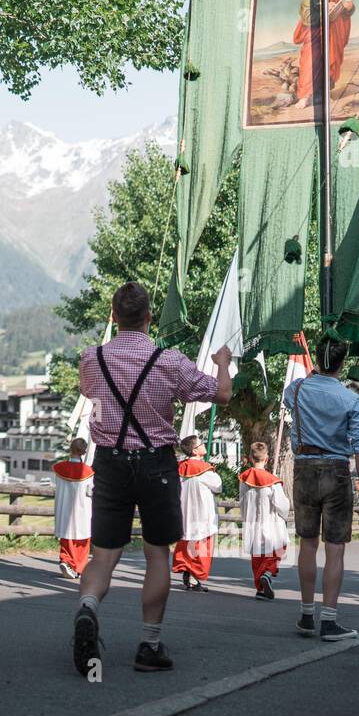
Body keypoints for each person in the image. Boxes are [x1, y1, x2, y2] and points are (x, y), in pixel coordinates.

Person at [73, 281, 233, 675]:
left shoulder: (91, 358)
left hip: (110, 461)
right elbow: (222, 394)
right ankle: (149, 644)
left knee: (104, 554)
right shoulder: (170, 361)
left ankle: (88, 607)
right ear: (148, 317)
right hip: (157, 464)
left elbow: (89, 391)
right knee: (157, 552)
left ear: (113, 316)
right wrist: (224, 362)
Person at [285, 335, 359, 641]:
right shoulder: (351, 400)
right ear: (342, 363)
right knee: (335, 549)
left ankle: (306, 615)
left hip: (304, 469)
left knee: (307, 544)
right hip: (336, 472)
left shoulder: (294, 390)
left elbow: (300, 386)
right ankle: (330, 620)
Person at [171, 434, 223, 592]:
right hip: (202, 513)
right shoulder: (205, 470)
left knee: (186, 541)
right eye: (201, 444)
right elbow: (218, 486)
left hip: (185, 512)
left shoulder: (178, 468)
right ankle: (194, 578)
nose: (204, 445)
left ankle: (187, 570)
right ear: (194, 451)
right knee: (200, 545)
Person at [239, 441, 290, 601]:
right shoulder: (273, 481)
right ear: (266, 458)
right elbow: (282, 505)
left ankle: (260, 589)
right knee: (275, 551)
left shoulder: (244, 480)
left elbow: (242, 502)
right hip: (271, 523)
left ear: (250, 458)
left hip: (253, 523)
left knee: (257, 557)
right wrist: (285, 513)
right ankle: (267, 574)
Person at [52, 438, 94, 580]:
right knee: (82, 539)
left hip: (64, 507)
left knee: (67, 536)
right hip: (81, 509)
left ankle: (66, 561)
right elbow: (90, 492)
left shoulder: (59, 468)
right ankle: (77, 568)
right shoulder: (88, 472)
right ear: (83, 452)